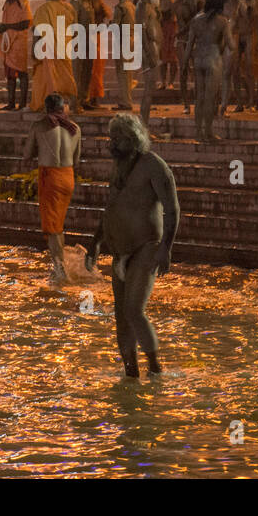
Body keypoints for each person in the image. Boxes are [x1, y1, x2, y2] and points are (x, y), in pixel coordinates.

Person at [84, 114, 179, 379]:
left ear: (134, 140)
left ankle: (156, 368)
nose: (111, 145)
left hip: (147, 247)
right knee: (121, 316)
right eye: (110, 138)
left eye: (118, 139)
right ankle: (131, 373)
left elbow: (173, 210)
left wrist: (166, 249)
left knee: (134, 309)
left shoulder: (154, 166)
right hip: (119, 251)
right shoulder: (118, 166)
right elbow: (110, 209)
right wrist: (95, 243)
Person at [23, 94, 81, 282]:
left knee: (53, 228)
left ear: (46, 109)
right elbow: (77, 158)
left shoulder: (39, 125)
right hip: (68, 177)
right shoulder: (75, 128)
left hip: (51, 177)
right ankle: (60, 263)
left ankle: (59, 268)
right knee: (58, 224)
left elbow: (27, 155)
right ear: (63, 108)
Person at [183, 0, 231, 143]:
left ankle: (198, 132)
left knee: (199, 98)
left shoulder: (196, 20)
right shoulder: (223, 21)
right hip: (213, 58)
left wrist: (184, 64)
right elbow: (231, 44)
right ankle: (208, 132)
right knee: (210, 98)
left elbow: (189, 45)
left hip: (198, 59)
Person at [29, 0, 79, 111]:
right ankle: (74, 103)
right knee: (66, 76)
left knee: (48, 77)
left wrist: (34, 47)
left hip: (48, 48)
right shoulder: (69, 8)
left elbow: (38, 30)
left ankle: (48, 106)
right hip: (65, 47)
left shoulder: (44, 8)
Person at [0, 0, 32, 110]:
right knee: (10, 75)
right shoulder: (6, 5)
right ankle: (11, 103)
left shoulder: (24, 4)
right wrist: (1, 27)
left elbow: (25, 23)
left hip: (18, 42)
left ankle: (22, 103)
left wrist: (7, 27)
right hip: (8, 42)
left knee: (22, 72)